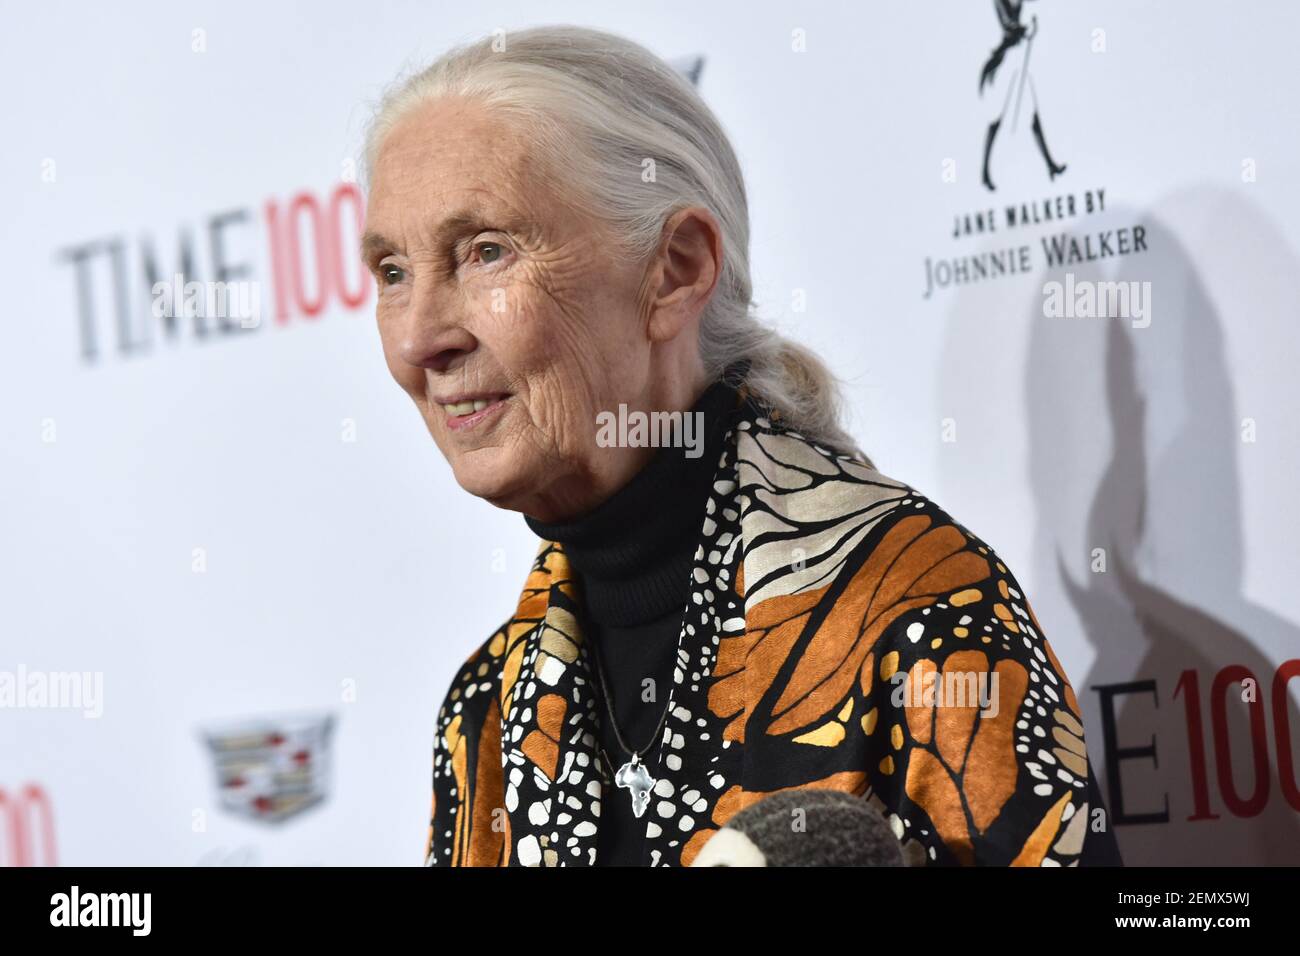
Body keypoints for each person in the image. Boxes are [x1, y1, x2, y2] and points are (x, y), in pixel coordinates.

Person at [360, 24, 1121, 867]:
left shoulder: (917, 613)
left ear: (676, 270)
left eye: (486, 252)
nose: (417, 339)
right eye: (391, 272)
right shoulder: (487, 714)